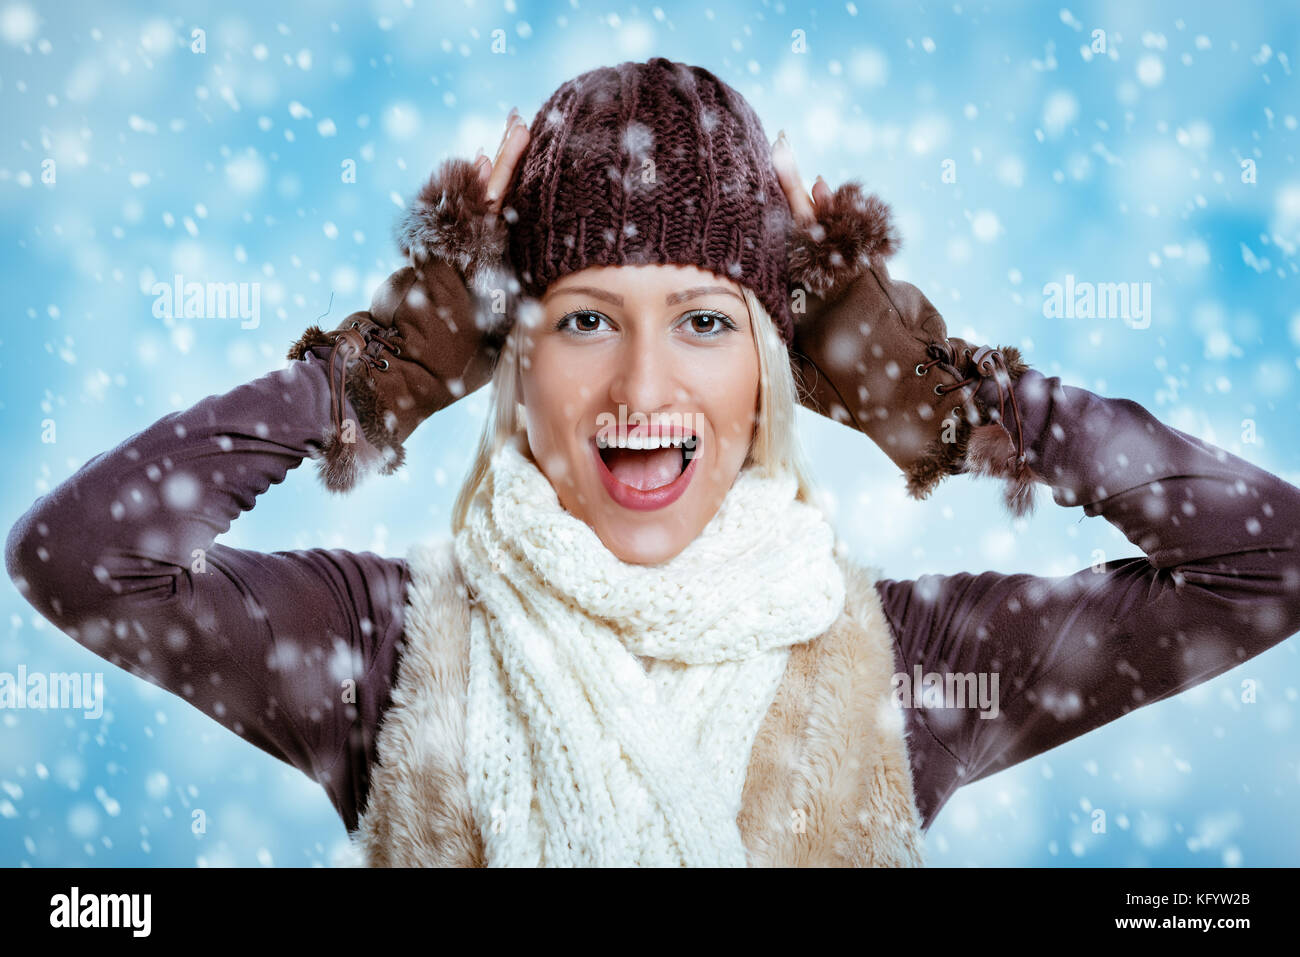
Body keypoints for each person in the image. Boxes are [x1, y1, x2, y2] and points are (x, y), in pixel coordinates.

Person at [7, 57, 1300, 867]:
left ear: (773, 368)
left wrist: (953, 405)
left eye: (704, 320)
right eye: (582, 319)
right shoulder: (389, 651)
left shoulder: (904, 669)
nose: (641, 387)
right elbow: (80, 558)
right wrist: (373, 371)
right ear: (510, 361)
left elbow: (1267, 561)